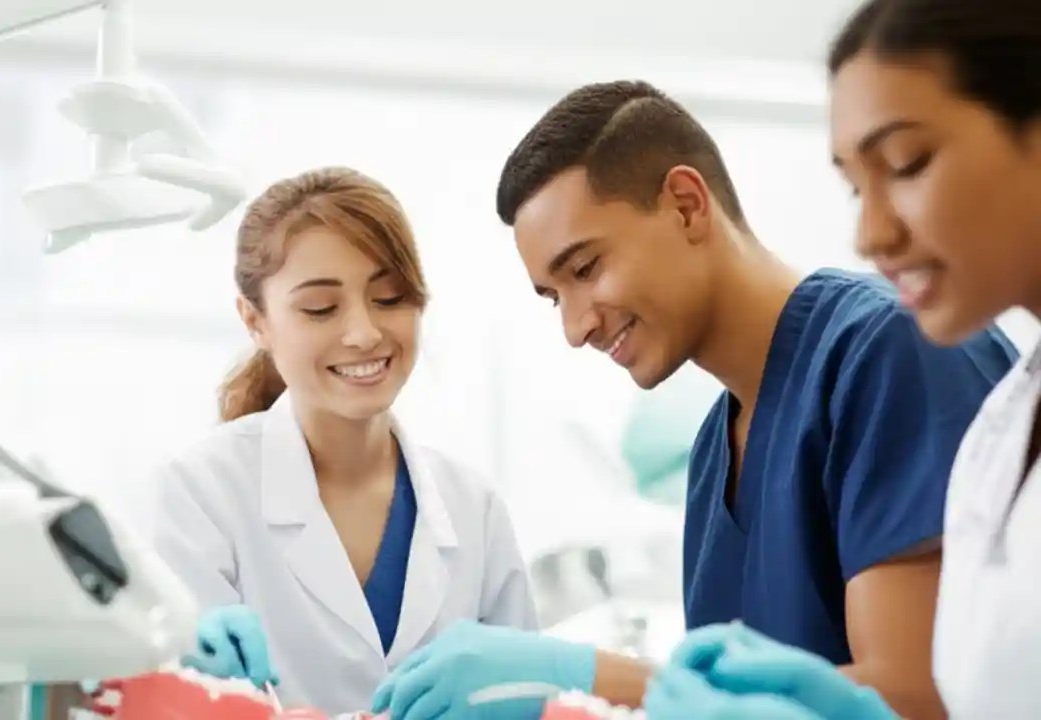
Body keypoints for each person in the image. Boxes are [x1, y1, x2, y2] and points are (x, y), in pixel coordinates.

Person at [371, 80, 1018, 720]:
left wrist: (594, 677)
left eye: (586, 268)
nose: (575, 327)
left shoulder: (889, 352)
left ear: (685, 204)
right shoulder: (716, 451)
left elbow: (917, 698)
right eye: (552, 296)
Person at [645, 0, 1041, 718]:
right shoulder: (1001, 434)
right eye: (858, 187)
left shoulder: (885, 352)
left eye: (907, 164)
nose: (870, 233)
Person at [149, 167, 538, 714]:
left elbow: (527, 698)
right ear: (255, 320)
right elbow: (173, 703)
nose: (363, 333)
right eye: (320, 309)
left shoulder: (473, 507)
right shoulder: (202, 493)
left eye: (389, 297)